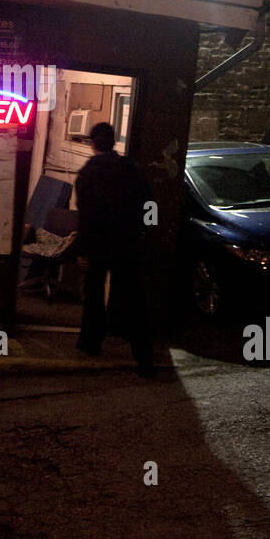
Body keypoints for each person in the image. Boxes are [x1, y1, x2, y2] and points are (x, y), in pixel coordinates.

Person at [75, 121, 155, 377]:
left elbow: (85, 215)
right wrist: (144, 232)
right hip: (126, 243)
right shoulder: (131, 169)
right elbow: (148, 202)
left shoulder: (89, 172)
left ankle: (91, 343)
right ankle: (143, 356)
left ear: (93, 143)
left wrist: (83, 249)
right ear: (113, 141)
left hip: (98, 242)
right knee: (133, 298)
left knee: (94, 293)